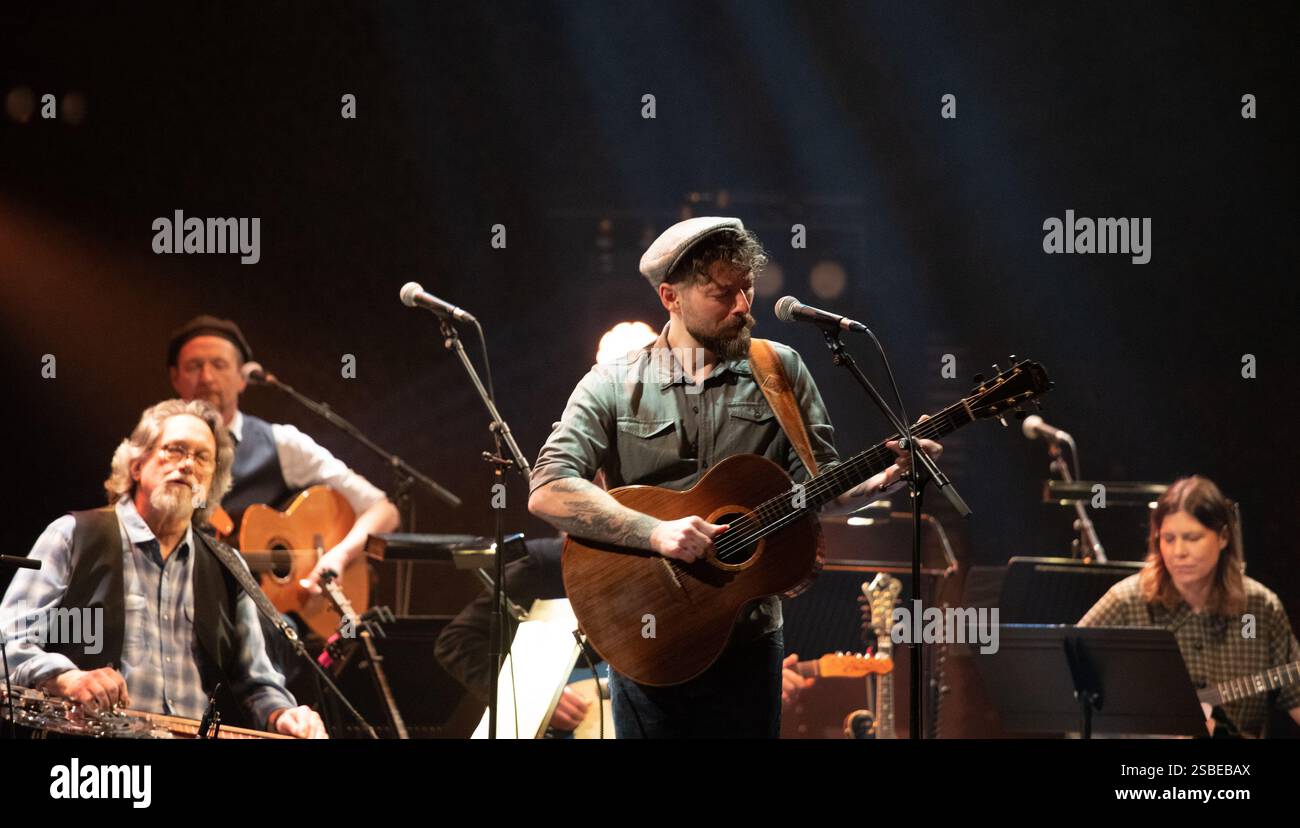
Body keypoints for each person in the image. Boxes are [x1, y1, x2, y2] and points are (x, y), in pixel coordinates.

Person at [527, 216, 938, 737]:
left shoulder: (779, 370)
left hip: (748, 637)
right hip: (646, 631)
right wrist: (654, 532)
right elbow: (549, 490)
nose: (744, 306)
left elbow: (820, 489)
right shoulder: (612, 381)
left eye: (747, 289)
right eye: (724, 294)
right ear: (670, 297)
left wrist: (887, 478)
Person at [0, 399, 326, 737]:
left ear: (212, 482)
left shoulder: (228, 565)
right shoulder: (73, 535)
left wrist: (282, 714)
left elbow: (258, 682)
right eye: (174, 450)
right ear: (137, 464)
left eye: (202, 457)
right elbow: (6, 643)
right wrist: (68, 678)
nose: (187, 465)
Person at [166, 315, 399, 592]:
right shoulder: (157, 450)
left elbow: (382, 510)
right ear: (175, 378)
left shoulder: (281, 442)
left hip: (276, 620)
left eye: (219, 365)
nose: (206, 377)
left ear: (243, 378)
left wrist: (340, 555)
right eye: (194, 366)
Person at [1079, 475, 1300, 738]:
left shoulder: (1260, 607)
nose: (1178, 551)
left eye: (1192, 537)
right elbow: (1068, 676)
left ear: (1223, 537)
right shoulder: (1126, 601)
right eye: (1168, 539)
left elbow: (1295, 697)